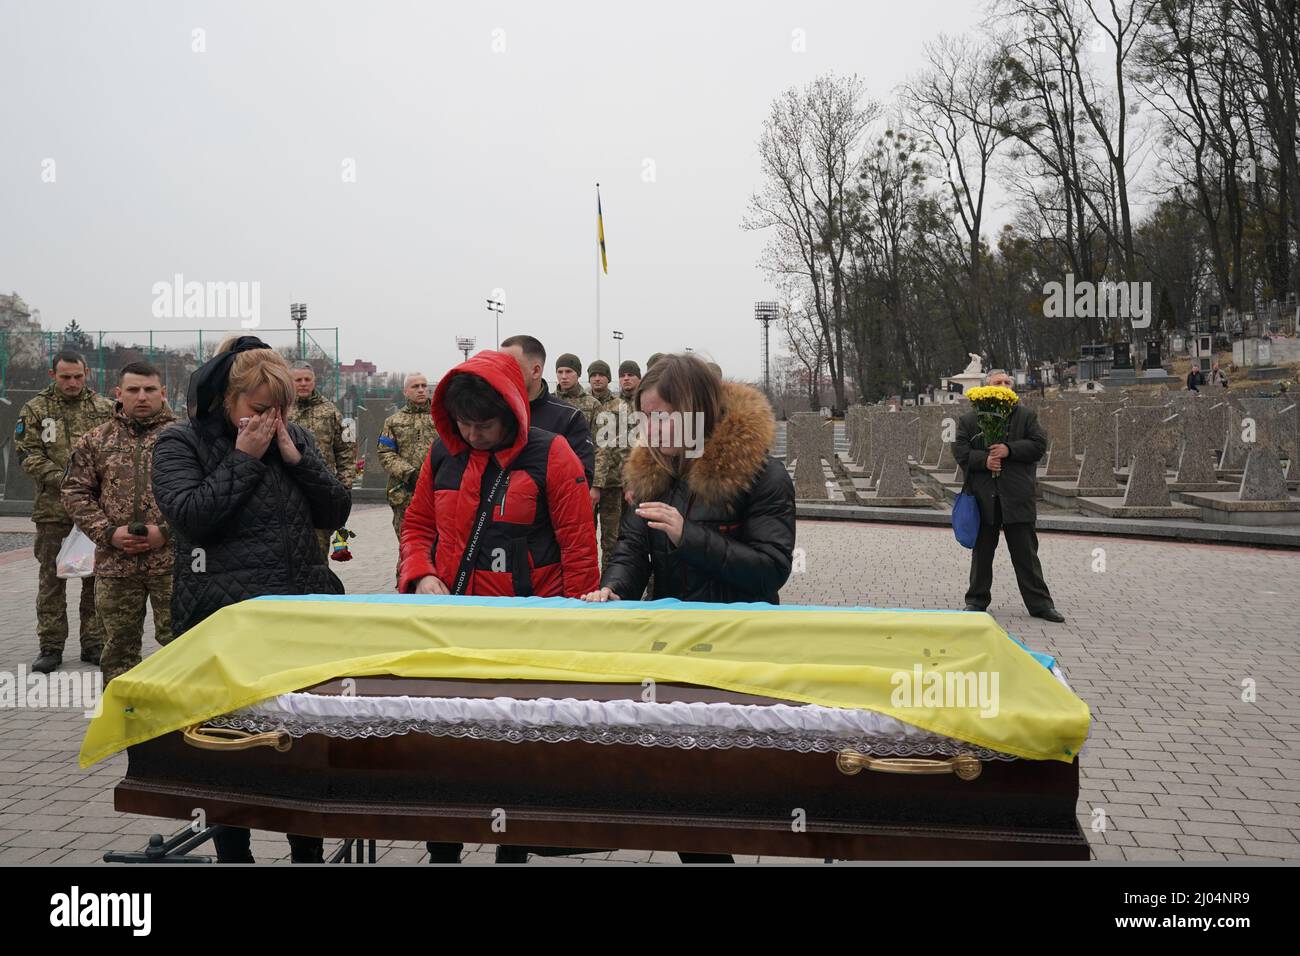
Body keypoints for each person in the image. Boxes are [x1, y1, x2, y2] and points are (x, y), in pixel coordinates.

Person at [583, 354, 795, 863]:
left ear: (696, 409)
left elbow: (771, 568)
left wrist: (687, 536)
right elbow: (632, 550)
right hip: (674, 646)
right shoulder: (652, 468)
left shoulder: (760, 474)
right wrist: (612, 589)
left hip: (738, 649)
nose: (649, 430)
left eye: (660, 416)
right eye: (643, 418)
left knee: (715, 790)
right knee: (685, 787)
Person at [152, 335, 351, 864]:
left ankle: (306, 851)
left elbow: (335, 511)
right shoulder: (181, 443)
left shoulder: (296, 436)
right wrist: (244, 459)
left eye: (281, 409)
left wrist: (298, 458)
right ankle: (233, 855)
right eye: (259, 408)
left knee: (300, 744)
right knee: (229, 750)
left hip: (299, 619)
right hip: (224, 622)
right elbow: (193, 518)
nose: (271, 419)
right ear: (226, 398)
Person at [397, 349, 599, 864]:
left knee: (516, 753)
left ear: (511, 411)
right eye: (463, 423)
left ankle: (513, 851)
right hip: (451, 633)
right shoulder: (442, 454)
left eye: (484, 424)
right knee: (445, 750)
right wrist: (420, 574)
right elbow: (418, 526)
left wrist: (579, 635)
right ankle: (443, 848)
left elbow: (578, 548)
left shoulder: (552, 453)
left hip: (527, 632)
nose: (473, 435)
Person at [61, 362, 177, 683]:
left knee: (182, 646)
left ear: (163, 393)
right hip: (116, 564)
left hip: (171, 563)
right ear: (118, 393)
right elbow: (74, 491)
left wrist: (166, 533)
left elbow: (205, 495)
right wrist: (108, 533)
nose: (142, 396)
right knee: (118, 652)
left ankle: (179, 727)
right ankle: (121, 724)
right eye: (133, 389)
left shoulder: (184, 438)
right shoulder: (96, 440)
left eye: (150, 389)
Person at [17, 350, 115, 673]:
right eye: (65, 377)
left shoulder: (104, 409)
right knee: (51, 581)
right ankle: (51, 646)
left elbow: (115, 452)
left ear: (86, 373)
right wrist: (66, 479)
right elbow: (27, 454)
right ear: (52, 375)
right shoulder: (36, 410)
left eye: (78, 376)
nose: (72, 383)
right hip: (53, 512)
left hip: (95, 511)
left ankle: (94, 642)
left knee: (96, 579)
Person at [953, 369, 1065, 623]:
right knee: (982, 553)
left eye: (1006, 383)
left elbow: (1038, 446)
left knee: (1026, 553)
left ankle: (1040, 604)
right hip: (984, 498)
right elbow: (960, 452)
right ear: (986, 387)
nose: (1003, 386)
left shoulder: (1025, 416)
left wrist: (1008, 449)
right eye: (997, 383)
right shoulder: (970, 420)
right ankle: (976, 601)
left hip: (1017, 496)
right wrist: (985, 461)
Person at [499, 335, 595, 489]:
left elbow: (581, 477)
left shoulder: (569, 417)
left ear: (536, 371)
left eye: (511, 366)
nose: (503, 372)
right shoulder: (494, 413)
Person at [287, 362, 356, 556]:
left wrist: (345, 484)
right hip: (290, 491)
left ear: (314, 381)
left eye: (307, 379)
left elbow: (346, 449)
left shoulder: (331, 412)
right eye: (298, 380)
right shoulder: (282, 410)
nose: (303, 384)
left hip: (322, 490)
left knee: (319, 552)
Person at [378, 372, 438, 576]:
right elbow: (385, 453)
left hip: (437, 494)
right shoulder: (393, 422)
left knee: (438, 548)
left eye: (423, 385)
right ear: (405, 391)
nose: (421, 389)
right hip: (404, 495)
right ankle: (406, 587)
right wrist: (410, 474)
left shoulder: (441, 418)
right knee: (408, 547)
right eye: (415, 386)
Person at [589, 359, 633, 567]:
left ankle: (607, 582)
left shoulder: (620, 407)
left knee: (611, 539)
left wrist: (628, 482)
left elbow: (628, 446)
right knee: (585, 536)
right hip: (586, 482)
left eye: (601, 375)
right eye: (593, 375)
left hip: (613, 483)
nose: (597, 379)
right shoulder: (586, 405)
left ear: (608, 378)